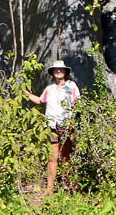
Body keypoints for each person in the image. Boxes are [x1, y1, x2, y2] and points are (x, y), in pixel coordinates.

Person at [26, 59, 80, 194]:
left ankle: (65, 184)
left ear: (65, 72)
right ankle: (49, 189)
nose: (59, 71)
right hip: (51, 125)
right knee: (52, 156)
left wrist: (72, 122)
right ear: (53, 73)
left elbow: (77, 104)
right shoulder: (49, 88)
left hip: (66, 125)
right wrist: (26, 94)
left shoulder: (71, 86)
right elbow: (40, 100)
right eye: (56, 69)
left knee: (65, 156)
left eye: (61, 69)